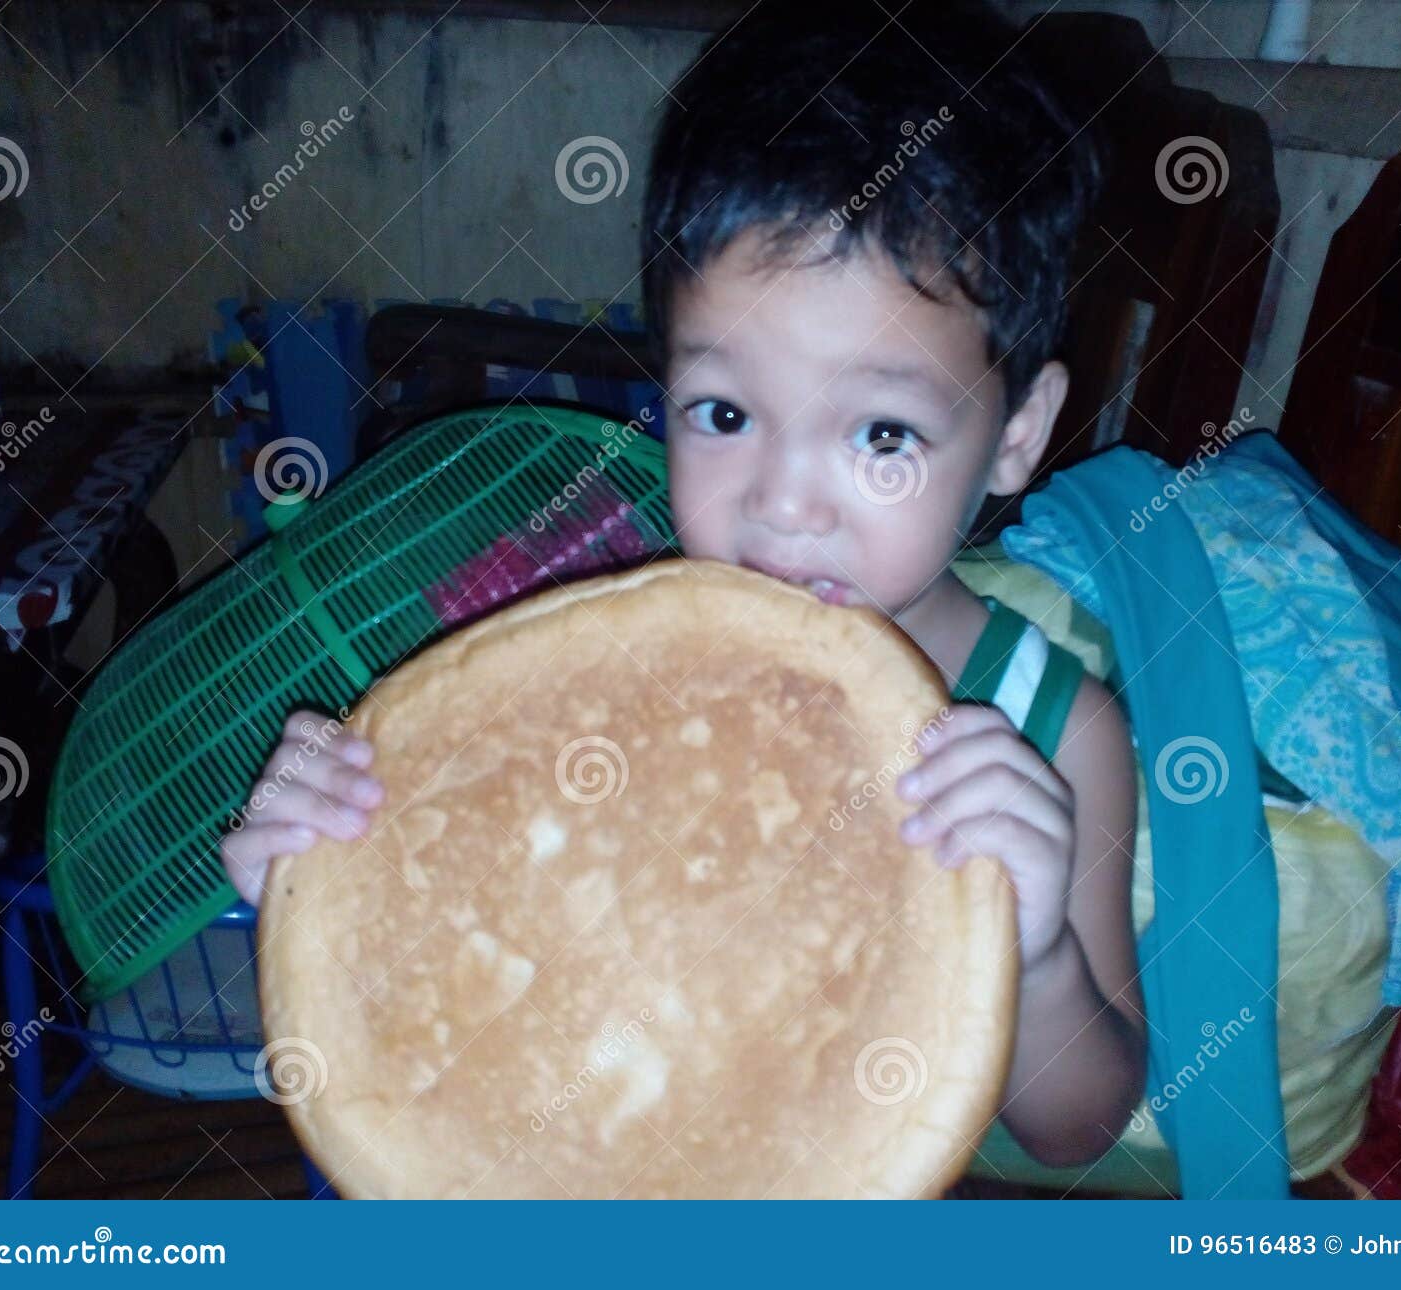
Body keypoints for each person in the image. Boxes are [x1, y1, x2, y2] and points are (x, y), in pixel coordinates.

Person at [221, 0, 1148, 1170]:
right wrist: (320, 880)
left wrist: (1040, 952)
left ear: (1017, 431)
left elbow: (1079, 1128)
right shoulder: (591, 672)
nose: (782, 503)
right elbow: (472, 1008)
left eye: (879, 434)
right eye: (724, 414)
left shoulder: (1059, 739)